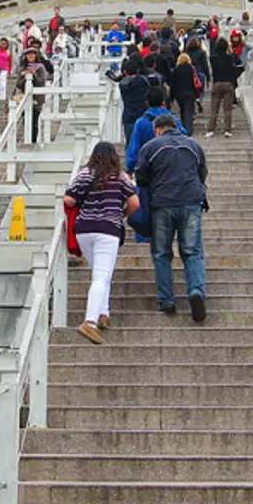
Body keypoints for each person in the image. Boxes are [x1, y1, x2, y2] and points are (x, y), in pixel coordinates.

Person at [134, 113, 208, 321]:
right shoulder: (194, 146)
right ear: (175, 126)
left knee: (161, 253)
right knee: (193, 251)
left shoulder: (150, 147)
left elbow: (140, 176)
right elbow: (202, 174)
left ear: (158, 129)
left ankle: (167, 299)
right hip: (191, 202)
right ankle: (196, 291)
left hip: (162, 204)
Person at [64, 141, 140, 344]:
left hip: (84, 230)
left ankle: (104, 313)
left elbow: (69, 200)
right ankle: (90, 322)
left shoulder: (83, 175)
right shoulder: (120, 177)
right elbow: (135, 203)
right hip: (108, 230)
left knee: (100, 273)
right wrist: (121, 214)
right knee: (101, 275)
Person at [126, 86, 183, 172]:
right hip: (172, 169)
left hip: (150, 170)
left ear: (147, 103)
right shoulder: (174, 121)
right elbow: (183, 136)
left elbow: (134, 150)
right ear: (163, 103)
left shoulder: (141, 123)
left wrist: (130, 169)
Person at [205, 37, 242, 138]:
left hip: (217, 83)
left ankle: (210, 130)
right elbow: (240, 64)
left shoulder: (212, 57)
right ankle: (227, 130)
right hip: (228, 83)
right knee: (227, 109)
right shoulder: (230, 57)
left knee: (214, 109)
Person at [16, 45, 48, 143]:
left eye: (32, 54)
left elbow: (41, 82)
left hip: (37, 98)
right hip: (23, 97)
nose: (30, 56)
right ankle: (27, 139)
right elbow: (18, 84)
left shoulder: (40, 68)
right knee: (26, 120)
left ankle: (33, 140)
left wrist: (34, 75)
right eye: (28, 54)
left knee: (34, 121)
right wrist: (24, 76)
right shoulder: (22, 68)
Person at [119, 57, 152, 142]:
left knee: (130, 142)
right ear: (138, 70)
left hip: (128, 115)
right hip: (143, 114)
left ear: (125, 72)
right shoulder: (143, 81)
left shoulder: (122, 84)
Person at [170, 52, 199, 135]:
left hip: (179, 94)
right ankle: (188, 130)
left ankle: (183, 128)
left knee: (182, 110)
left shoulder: (176, 69)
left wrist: (172, 97)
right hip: (190, 93)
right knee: (188, 111)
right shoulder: (191, 68)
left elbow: (173, 83)